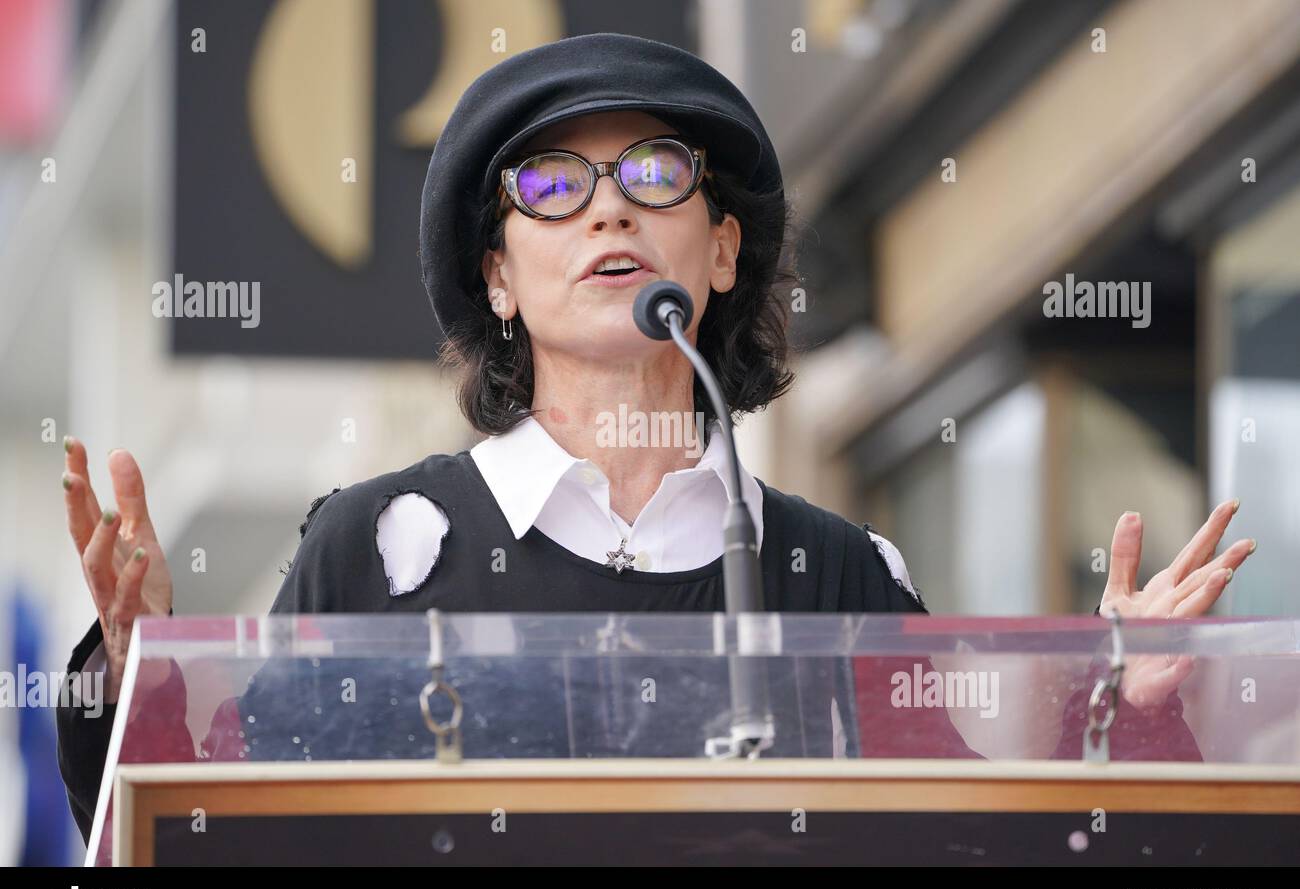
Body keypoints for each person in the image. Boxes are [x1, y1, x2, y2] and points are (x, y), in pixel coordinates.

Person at [56, 34, 1254, 846]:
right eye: (553, 189)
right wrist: (139, 672)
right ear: (499, 277)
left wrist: (1116, 704)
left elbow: (960, 839)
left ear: (722, 253)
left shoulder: (839, 573)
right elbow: (214, 835)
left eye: (653, 171)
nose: (610, 206)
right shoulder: (375, 547)